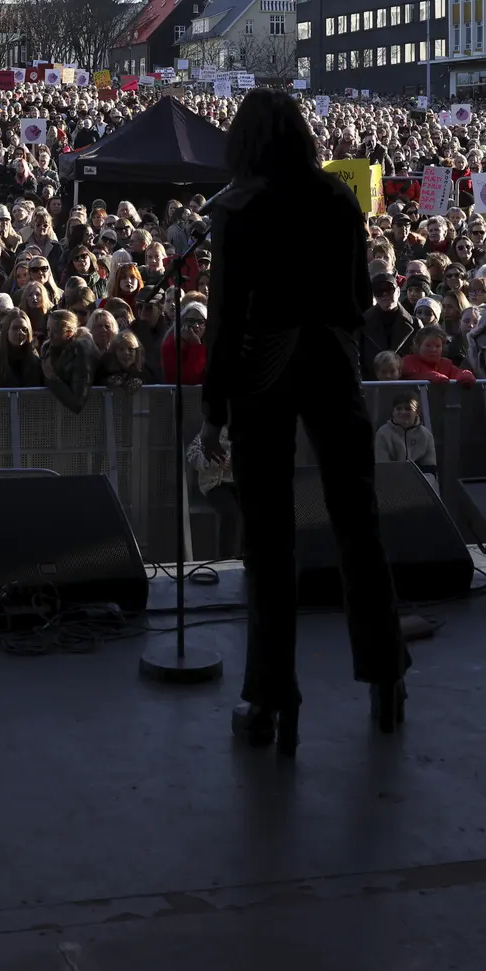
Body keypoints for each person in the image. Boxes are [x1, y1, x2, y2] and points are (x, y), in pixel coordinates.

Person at [196, 89, 408, 750]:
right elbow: (354, 298)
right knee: (357, 524)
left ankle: (271, 699)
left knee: (270, 540)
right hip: (334, 362)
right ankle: (385, 678)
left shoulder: (238, 206)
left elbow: (226, 320)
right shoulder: (341, 200)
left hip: (264, 370)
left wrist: (212, 412)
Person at [373, 391, 436, 470]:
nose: (403, 412)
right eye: (399, 408)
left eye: (408, 408)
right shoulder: (382, 434)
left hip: (419, 481)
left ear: (417, 412)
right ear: (393, 412)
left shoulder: (426, 435)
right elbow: (382, 468)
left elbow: (430, 469)